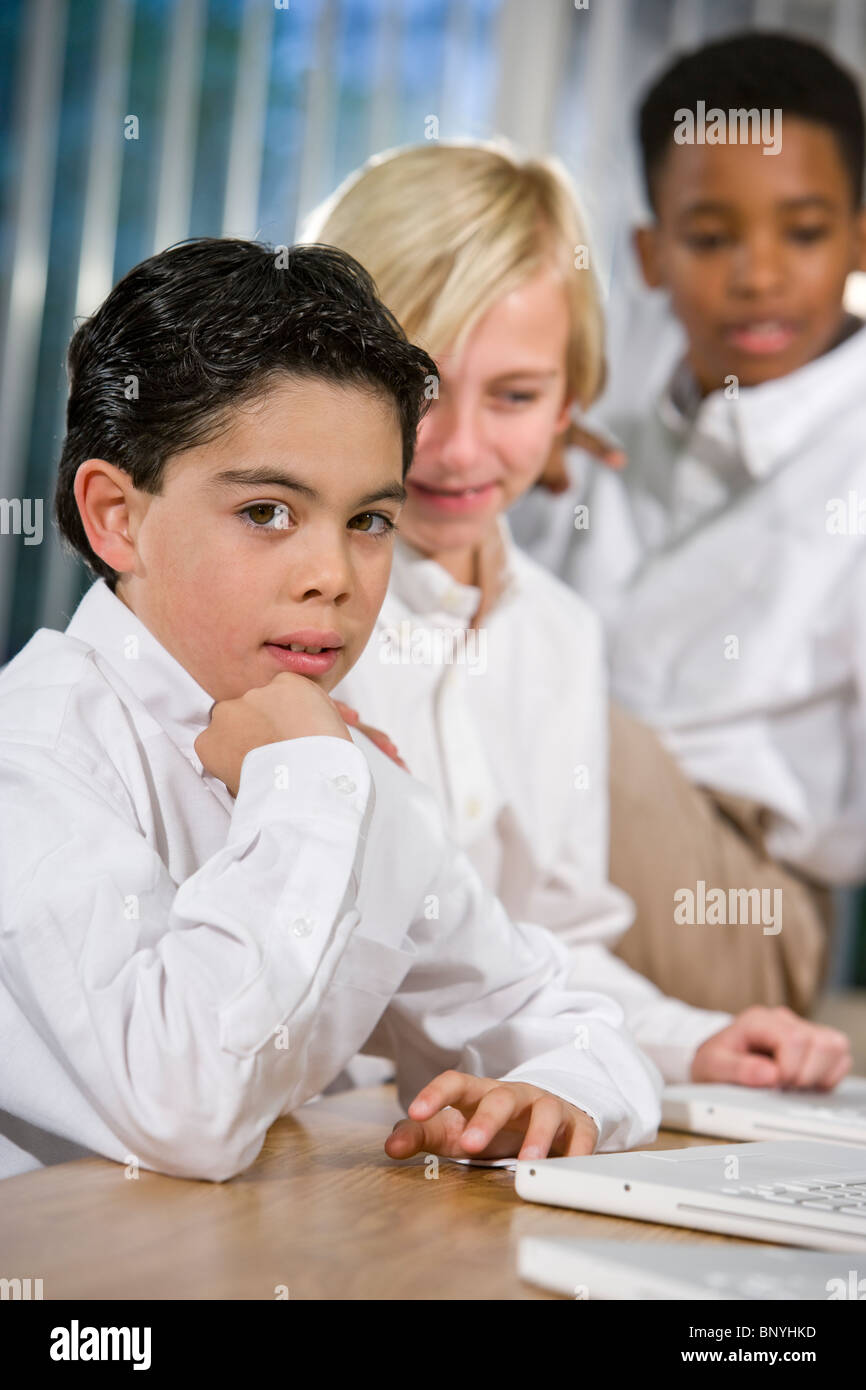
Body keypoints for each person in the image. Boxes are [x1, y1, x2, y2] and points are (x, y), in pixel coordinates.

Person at [0, 238, 665, 1183]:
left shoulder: (345, 768)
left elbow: (559, 1014)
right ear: (117, 516)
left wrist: (560, 1092)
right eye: (268, 511)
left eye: (369, 522)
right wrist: (308, 783)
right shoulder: (34, 762)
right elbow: (186, 1110)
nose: (333, 580)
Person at [307, 141, 851, 1087]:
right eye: (415, 390)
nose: (460, 447)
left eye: (516, 395)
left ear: (571, 404)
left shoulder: (556, 636)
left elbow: (549, 945)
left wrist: (689, 1040)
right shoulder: (286, 612)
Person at [511, 32, 866, 1015]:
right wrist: (492, 477)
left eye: (800, 233)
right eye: (709, 239)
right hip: (577, 846)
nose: (756, 276)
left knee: (518, 695)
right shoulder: (605, 440)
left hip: (744, 908)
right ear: (648, 254)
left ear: (858, 239)